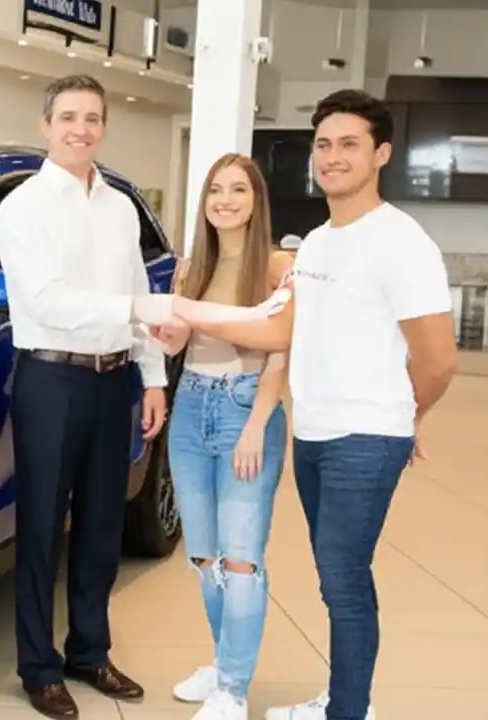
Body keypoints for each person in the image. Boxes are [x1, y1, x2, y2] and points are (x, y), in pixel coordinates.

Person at [264, 89, 458, 720]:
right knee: (333, 578)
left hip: (364, 437)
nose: (332, 156)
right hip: (315, 432)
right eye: (323, 144)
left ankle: (348, 711)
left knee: (344, 579)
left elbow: (437, 359)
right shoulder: (318, 241)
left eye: (349, 144)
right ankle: (341, 698)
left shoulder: (401, 242)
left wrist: (405, 420)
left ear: (381, 154)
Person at [0, 73, 172, 719]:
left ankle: (89, 652)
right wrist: (133, 307)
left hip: (113, 378)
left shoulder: (120, 206)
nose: (81, 129)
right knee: (40, 527)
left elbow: (139, 297)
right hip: (51, 378)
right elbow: (46, 301)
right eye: (68, 117)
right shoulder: (23, 206)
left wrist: (151, 377)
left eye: (92, 118)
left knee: (102, 524)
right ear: (46, 125)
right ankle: (38, 667)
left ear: (103, 126)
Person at [149, 153, 296, 720]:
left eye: (238, 189)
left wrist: (257, 424)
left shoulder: (278, 265)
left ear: (256, 199)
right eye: (216, 190)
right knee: (204, 554)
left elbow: (280, 349)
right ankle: (223, 660)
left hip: (246, 409)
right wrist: (161, 332)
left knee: (241, 560)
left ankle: (233, 688)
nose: (225, 200)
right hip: (192, 409)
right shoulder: (193, 267)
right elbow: (179, 343)